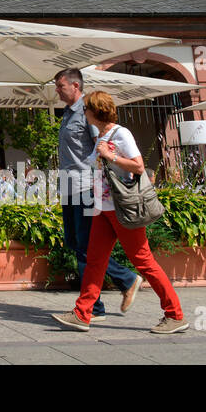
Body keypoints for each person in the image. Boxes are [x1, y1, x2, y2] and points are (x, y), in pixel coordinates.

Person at [52, 91, 187, 335]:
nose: (84, 113)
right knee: (94, 261)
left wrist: (110, 155)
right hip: (102, 208)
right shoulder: (101, 135)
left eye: (87, 109)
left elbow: (138, 166)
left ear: (95, 111)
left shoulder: (121, 133)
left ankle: (175, 315)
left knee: (144, 262)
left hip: (123, 210)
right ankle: (82, 314)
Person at [53, 68, 140, 322]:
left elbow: (103, 144)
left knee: (85, 247)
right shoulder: (68, 114)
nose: (57, 90)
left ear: (75, 86)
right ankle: (123, 281)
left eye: (60, 86)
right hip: (69, 186)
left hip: (86, 187)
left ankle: (94, 306)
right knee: (74, 242)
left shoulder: (85, 112)